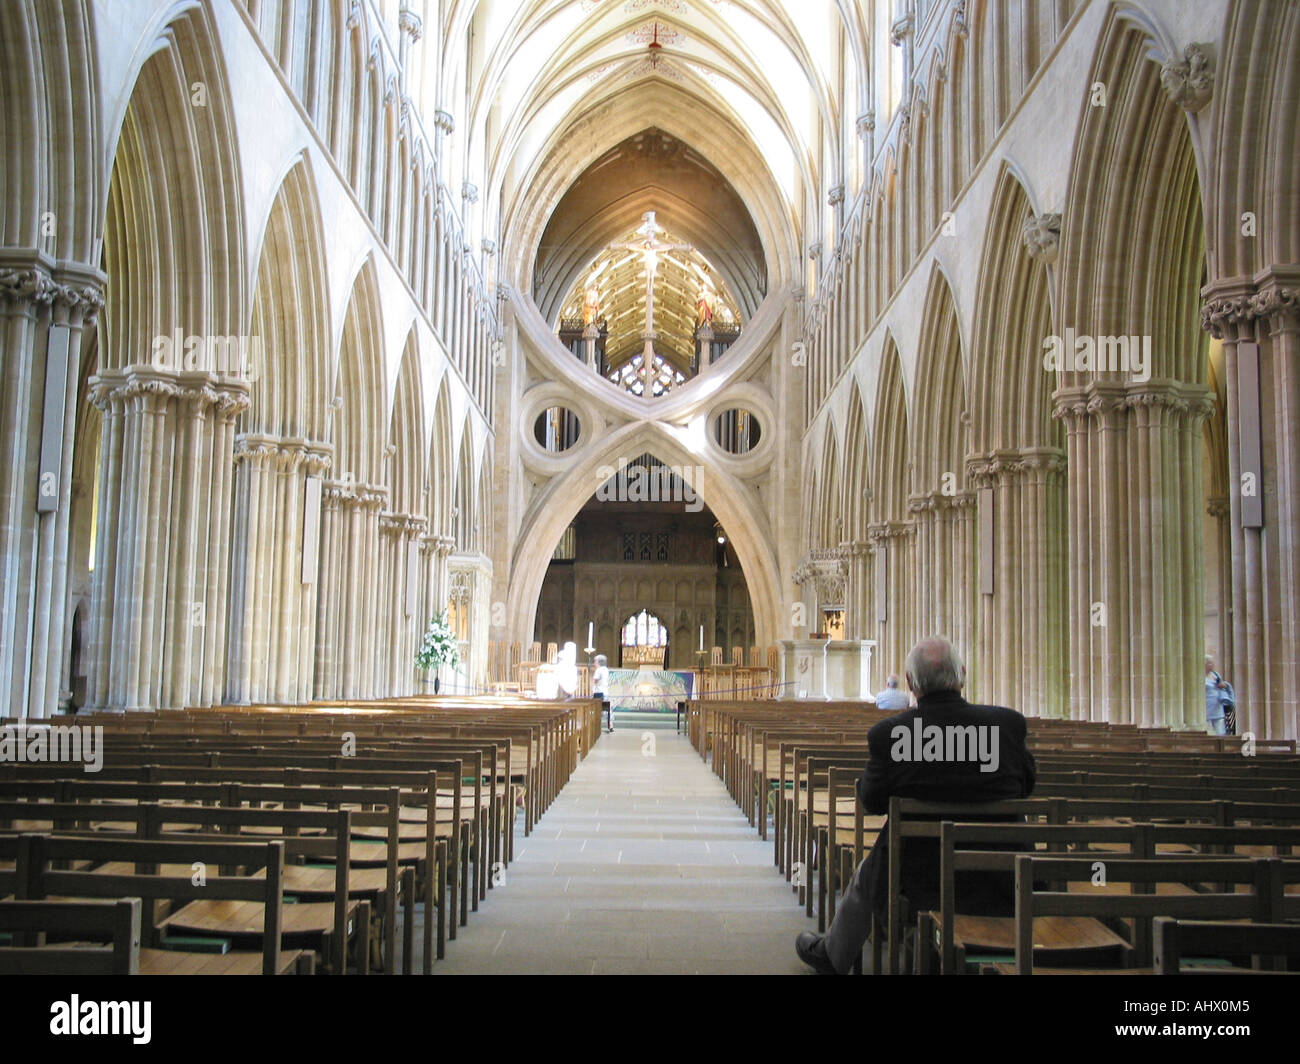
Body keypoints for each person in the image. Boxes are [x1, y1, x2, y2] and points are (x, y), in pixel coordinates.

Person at [795, 636, 1037, 975]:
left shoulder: (892, 734)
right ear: (962, 675)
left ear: (911, 684)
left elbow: (871, 801)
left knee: (872, 867)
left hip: (918, 880)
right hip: (1002, 876)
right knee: (877, 864)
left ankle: (834, 956)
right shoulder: (1006, 727)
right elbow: (1027, 786)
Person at [1205, 656, 1235, 736]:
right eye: (1209, 663)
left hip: (1218, 709)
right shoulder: (1200, 677)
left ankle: (1220, 747)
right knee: (1208, 734)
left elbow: (1224, 686)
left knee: (1220, 733)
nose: (1212, 665)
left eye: (1212, 663)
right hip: (1206, 710)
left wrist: (1224, 685)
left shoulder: (1216, 675)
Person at [592, 654, 612, 732]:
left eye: (595, 661)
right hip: (605, 691)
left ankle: (596, 725)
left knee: (597, 709)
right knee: (607, 709)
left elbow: (595, 680)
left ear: (599, 662)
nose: (594, 663)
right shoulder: (606, 669)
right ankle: (610, 725)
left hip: (599, 692)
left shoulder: (599, 670)